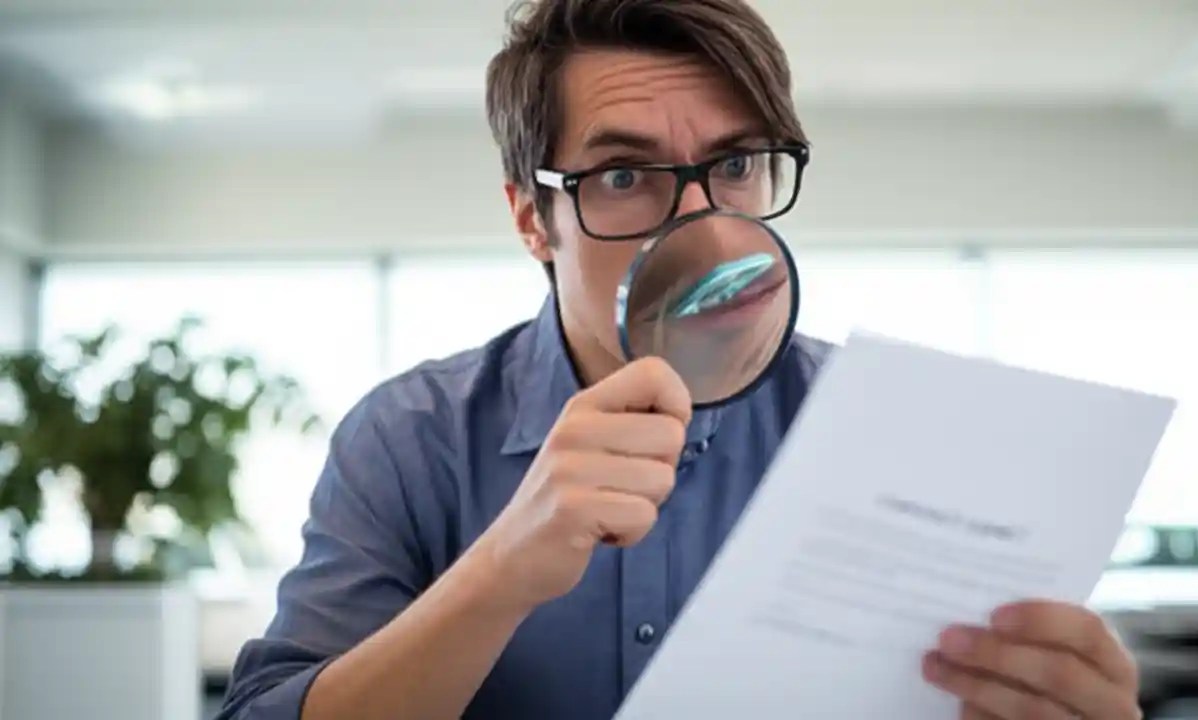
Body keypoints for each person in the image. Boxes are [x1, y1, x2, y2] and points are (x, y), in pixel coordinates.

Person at [217, 1, 1143, 718]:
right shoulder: (408, 439)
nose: (704, 234)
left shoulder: (894, 430)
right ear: (532, 218)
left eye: (737, 167)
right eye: (624, 177)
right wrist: (501, 573)